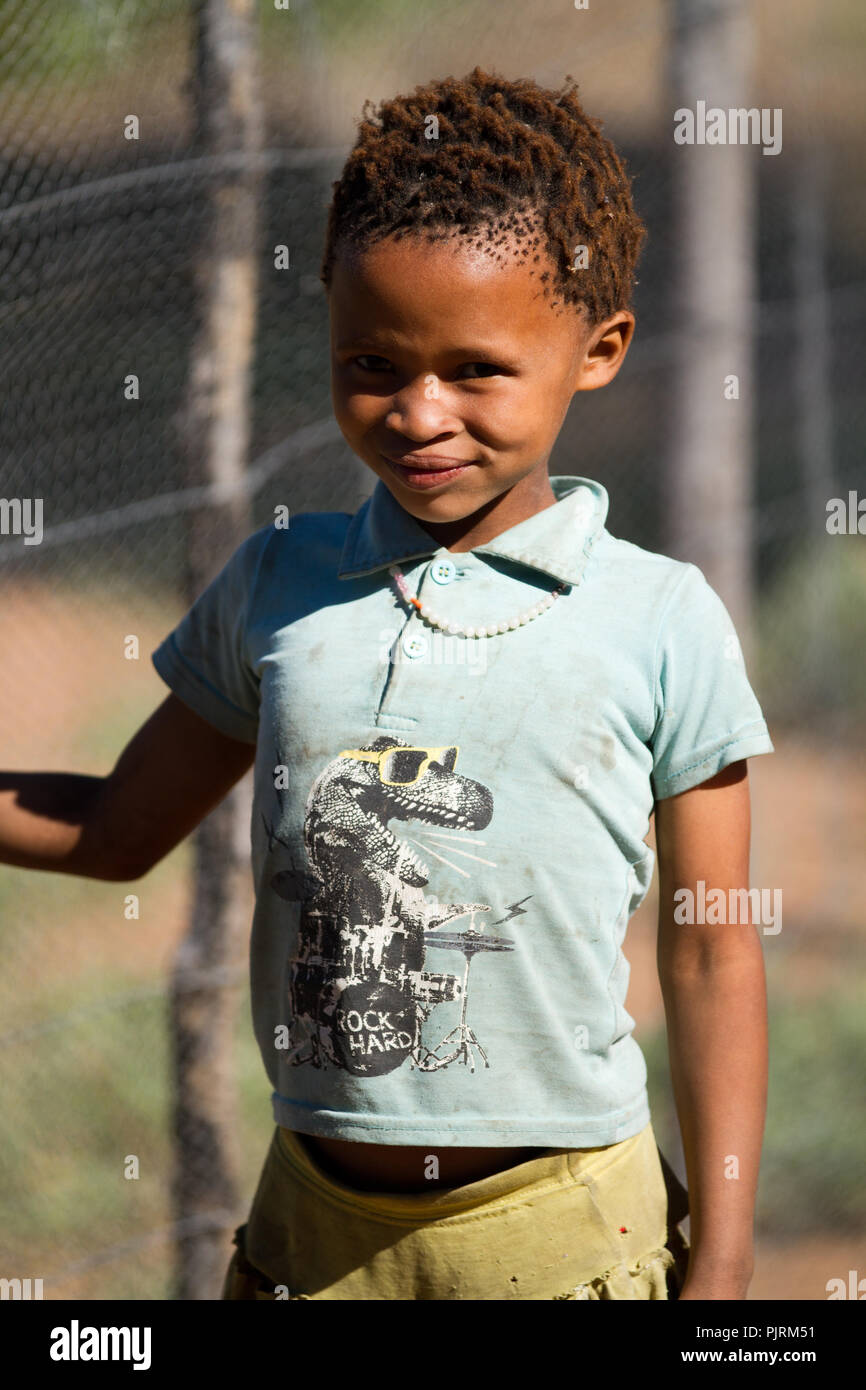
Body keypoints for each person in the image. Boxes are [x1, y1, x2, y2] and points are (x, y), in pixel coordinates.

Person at [0, 66, 773, 1301]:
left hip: (567, 1240)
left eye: (474, 369)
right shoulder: (280, 583)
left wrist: (724, 1256)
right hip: (310, 1236)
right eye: (372, 362)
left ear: (599, 348)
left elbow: (711, 953)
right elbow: (112, 830)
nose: (419, 413)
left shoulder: (659, 619)